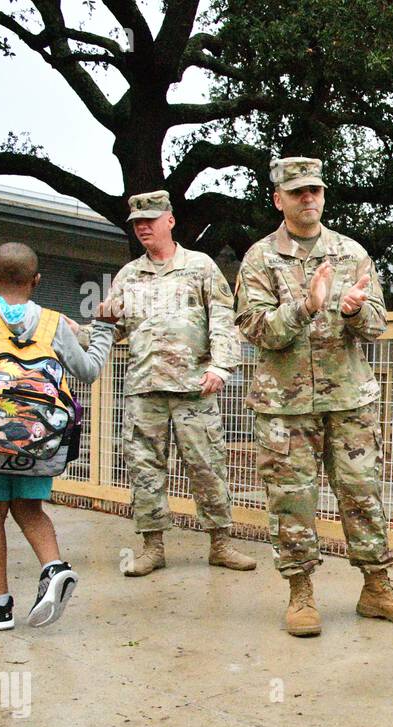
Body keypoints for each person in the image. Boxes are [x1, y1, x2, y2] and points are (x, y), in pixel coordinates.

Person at [234, 157, 393, 637]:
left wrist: (353, 312)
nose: (308, 198)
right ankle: (301, 592)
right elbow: (258, 330)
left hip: (349, 400)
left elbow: (378, 325)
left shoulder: (352, 253)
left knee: (363, 493)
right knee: (291, 499)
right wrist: (306, 306)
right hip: (285, 406)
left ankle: (377, 587)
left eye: (315, 190)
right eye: (297, 192)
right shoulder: (260, 258)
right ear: (278, 199)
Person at [0, 243, 114, 630]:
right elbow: (89, 370)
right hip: (41, 438)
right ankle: (54, 566)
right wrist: (106, 331)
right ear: (37, 280)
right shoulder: (53, 322)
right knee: (30, 509)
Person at [99, 190, 256, 576]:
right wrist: (93, 327)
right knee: (143, 468)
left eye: (150, 221)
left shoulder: (200, 266)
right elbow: (113, 328)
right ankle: (153, 546)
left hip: (194, 387)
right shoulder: (129, 275)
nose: (142, 228)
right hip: (144, 387)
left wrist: (222, 367)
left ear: (169, 220)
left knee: (207, 465)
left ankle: (221, 542)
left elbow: (222, 318)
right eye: (136, 223)